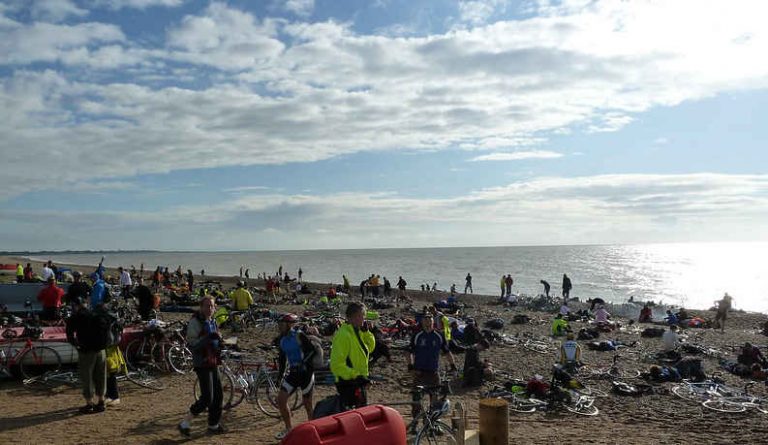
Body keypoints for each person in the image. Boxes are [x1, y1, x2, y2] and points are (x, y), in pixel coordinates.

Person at [178, 296, 225, 436]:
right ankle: (185, 423)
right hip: (202, 363)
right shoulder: (195, 322)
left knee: (218, 395)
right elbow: (192, 344)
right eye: (206, 306)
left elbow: (214, 340)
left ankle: (213, 425)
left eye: (211, 306)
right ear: (201, 307)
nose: (209, 309)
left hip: (213, 361)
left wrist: (220, 343)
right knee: (207, 398)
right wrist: (209, 338)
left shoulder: (212, 321)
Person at [408, 314, 457, 432]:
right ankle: (415, 423)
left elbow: (446, 352)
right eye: (425, 320)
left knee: (434, 401)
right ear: (422, 322)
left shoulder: (439, 336)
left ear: (433, 322)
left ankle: (431, 424)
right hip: (419, 373)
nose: (428, 323)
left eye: (430, 320)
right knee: (416, 399)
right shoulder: (417, 335)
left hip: (433, 373)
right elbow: (408, 351)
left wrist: (453, 366)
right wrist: (410, 367)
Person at [274, 314, 315, 439]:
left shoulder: (298, 335)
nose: (279, 327)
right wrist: (280, 376)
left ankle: (313, 429)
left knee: (307, 403)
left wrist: (303, 363)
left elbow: (312, 350)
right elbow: (282, 360)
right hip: (293, 373)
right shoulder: (282, 340)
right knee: (281, 400)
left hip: (305, 373)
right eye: (279, 324)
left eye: (282, 324)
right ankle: (288, 428)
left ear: (289, 325)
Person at [66, 299, 111, 414]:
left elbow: (70, 335)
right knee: (101, 375)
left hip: (86, 351)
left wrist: (77, 345)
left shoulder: (76, 317)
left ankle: (89, 403)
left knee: (87, 376)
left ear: (75, 306)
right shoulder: (96, 313)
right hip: (101, 350)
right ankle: (101, 401)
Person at [330, 302, 375, 411]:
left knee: (361, 415)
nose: (363, 319)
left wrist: (366, 332)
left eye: (363, 316)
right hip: (348, 383)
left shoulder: (357, 332)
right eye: (361, 316)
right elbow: (336, 365)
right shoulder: (344, 335)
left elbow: (369, 348)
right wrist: (357, 376)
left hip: (359, 382)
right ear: (351, 317)